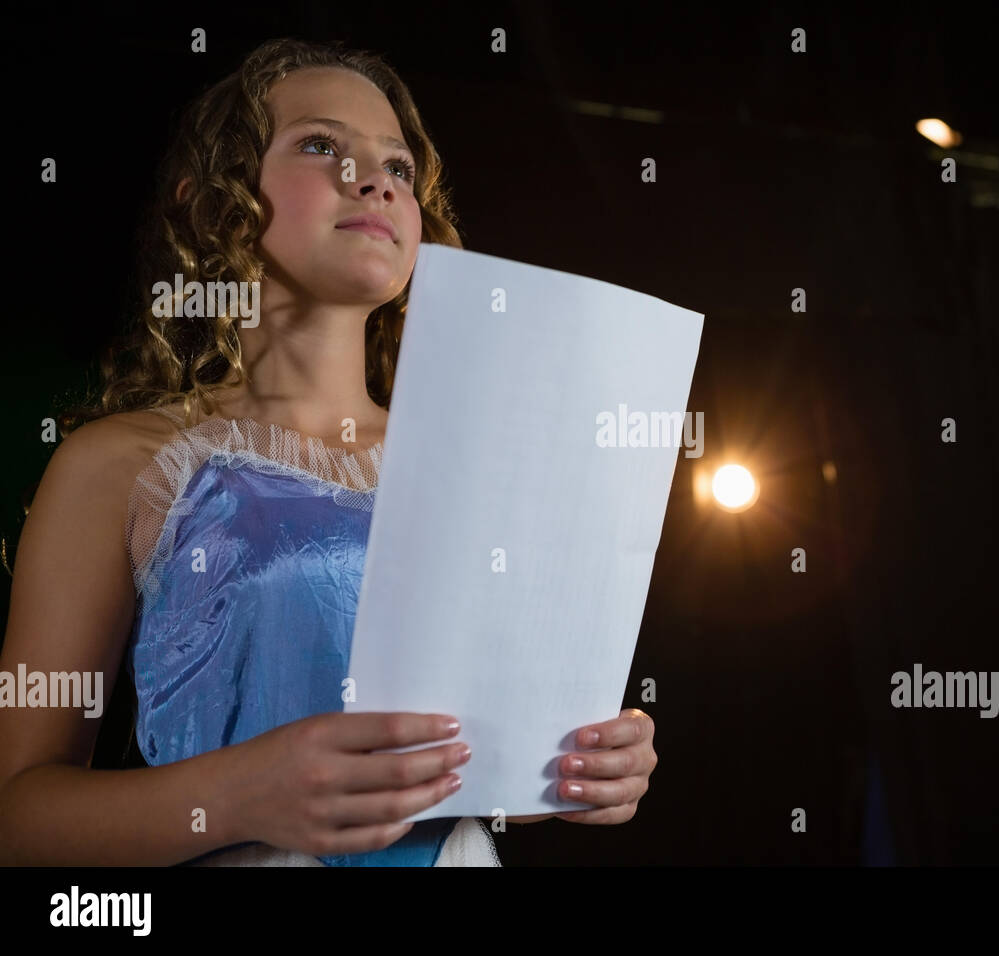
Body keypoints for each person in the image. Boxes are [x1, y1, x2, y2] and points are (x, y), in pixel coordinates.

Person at [0, 37, 656, 866]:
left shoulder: (480, 467)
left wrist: (580, 769)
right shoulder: (121, 463)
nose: (375, 179)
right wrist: (239, 794)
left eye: (398, 167)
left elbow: (475, 766)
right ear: (212, 203)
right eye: (321, 146)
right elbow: (17, 816)